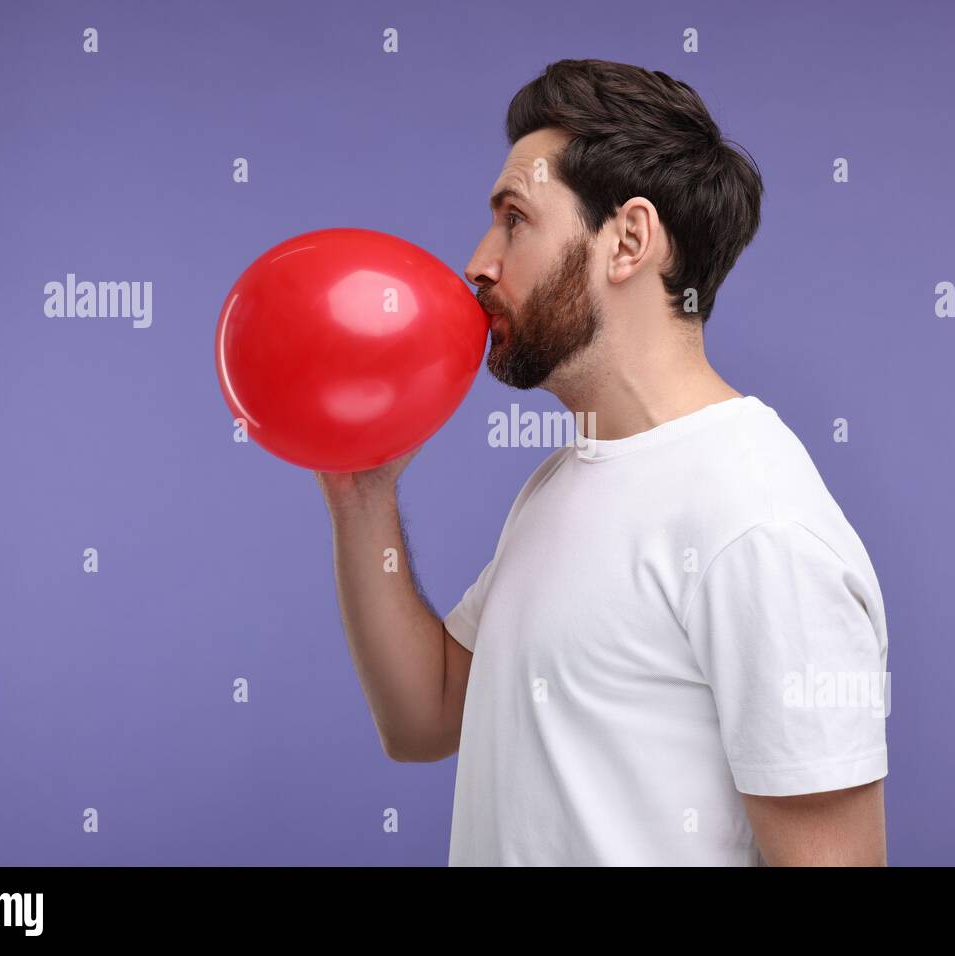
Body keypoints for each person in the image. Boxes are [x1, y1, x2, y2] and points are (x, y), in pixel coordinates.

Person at [317, 59, 889, 866]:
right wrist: (361, 493)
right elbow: (426, 717)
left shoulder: (758, 525)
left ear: (628, 241)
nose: (478, 263)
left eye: (514, 219)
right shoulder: (565, 480)